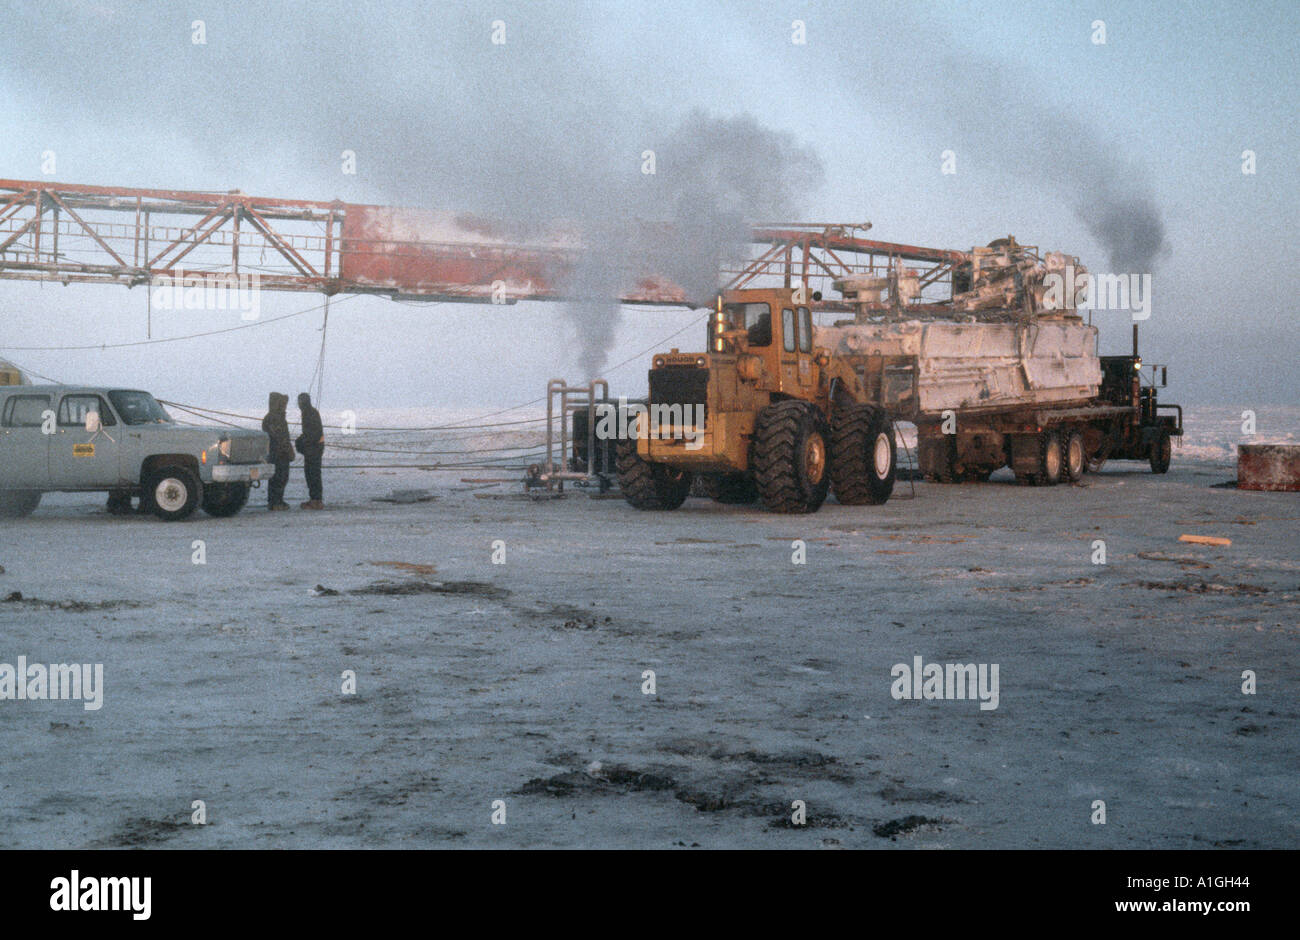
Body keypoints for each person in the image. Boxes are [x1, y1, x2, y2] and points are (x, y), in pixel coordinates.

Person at [261, 392, 293, 510]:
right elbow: (279, 436)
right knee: (278, 477)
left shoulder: (275, 417)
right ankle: (275, 502)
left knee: (281, 477)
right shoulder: (273, 418)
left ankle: (277, 500)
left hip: (279, 452)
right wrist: (287, 449)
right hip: (278, 453)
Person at [295, 392, 325, 509]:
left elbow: (313, 433)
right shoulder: (309, 412)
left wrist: (302, 442)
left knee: (312, 474)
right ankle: (316, 499)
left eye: (300, 401)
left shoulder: (308, 413)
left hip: (313, 449)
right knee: (313, 474)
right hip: (314, 448)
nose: (298, 404)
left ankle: (316, 500)